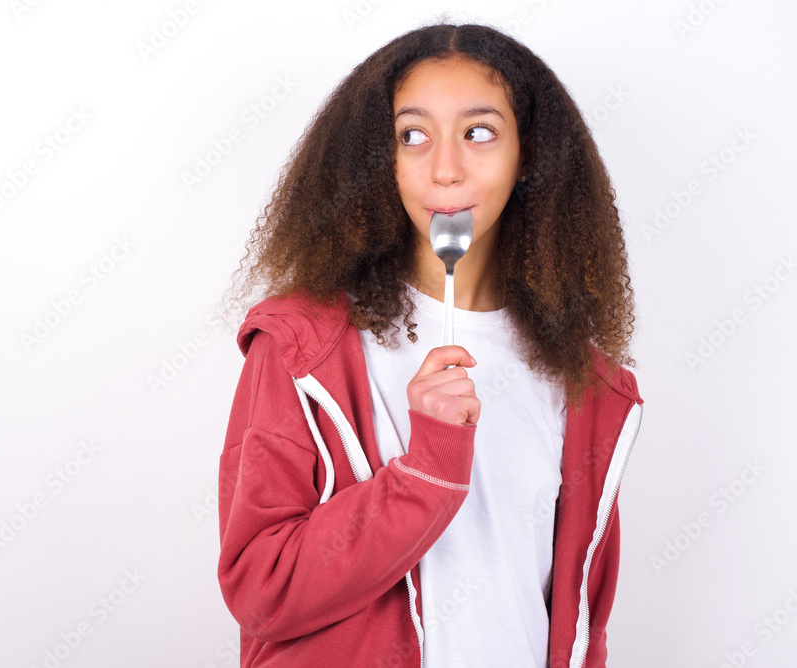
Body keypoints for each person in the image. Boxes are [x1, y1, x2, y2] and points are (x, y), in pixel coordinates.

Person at [216, 21, 644, 668]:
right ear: (377, 160)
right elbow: (263, 591)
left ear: (526, 154)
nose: (445, 170)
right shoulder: (305, 347)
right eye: (412, 136)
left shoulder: (582, 377)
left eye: (479, 133)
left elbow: (580, 618)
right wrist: (425, 471)